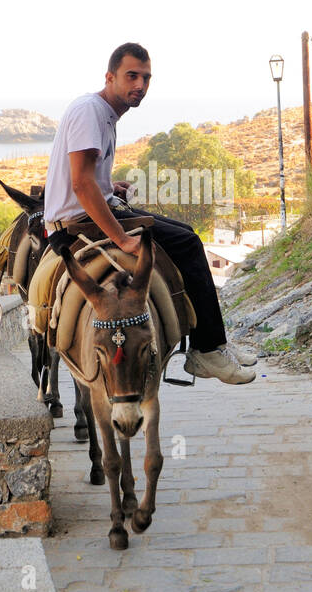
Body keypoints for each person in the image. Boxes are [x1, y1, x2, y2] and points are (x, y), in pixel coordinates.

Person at [42, 43, 257, 384]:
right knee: (187, 243)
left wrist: (110, 186)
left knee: (184, 231)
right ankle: (207, 351)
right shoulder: (90, 111)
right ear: (110, 77)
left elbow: (88, 179)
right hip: (74, 226)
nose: (140, 85)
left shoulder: (104, 113)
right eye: (131, 76)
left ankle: (214, 343)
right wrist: (122, 239)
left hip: (91, 210)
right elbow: (81, 186)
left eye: (145, 78)